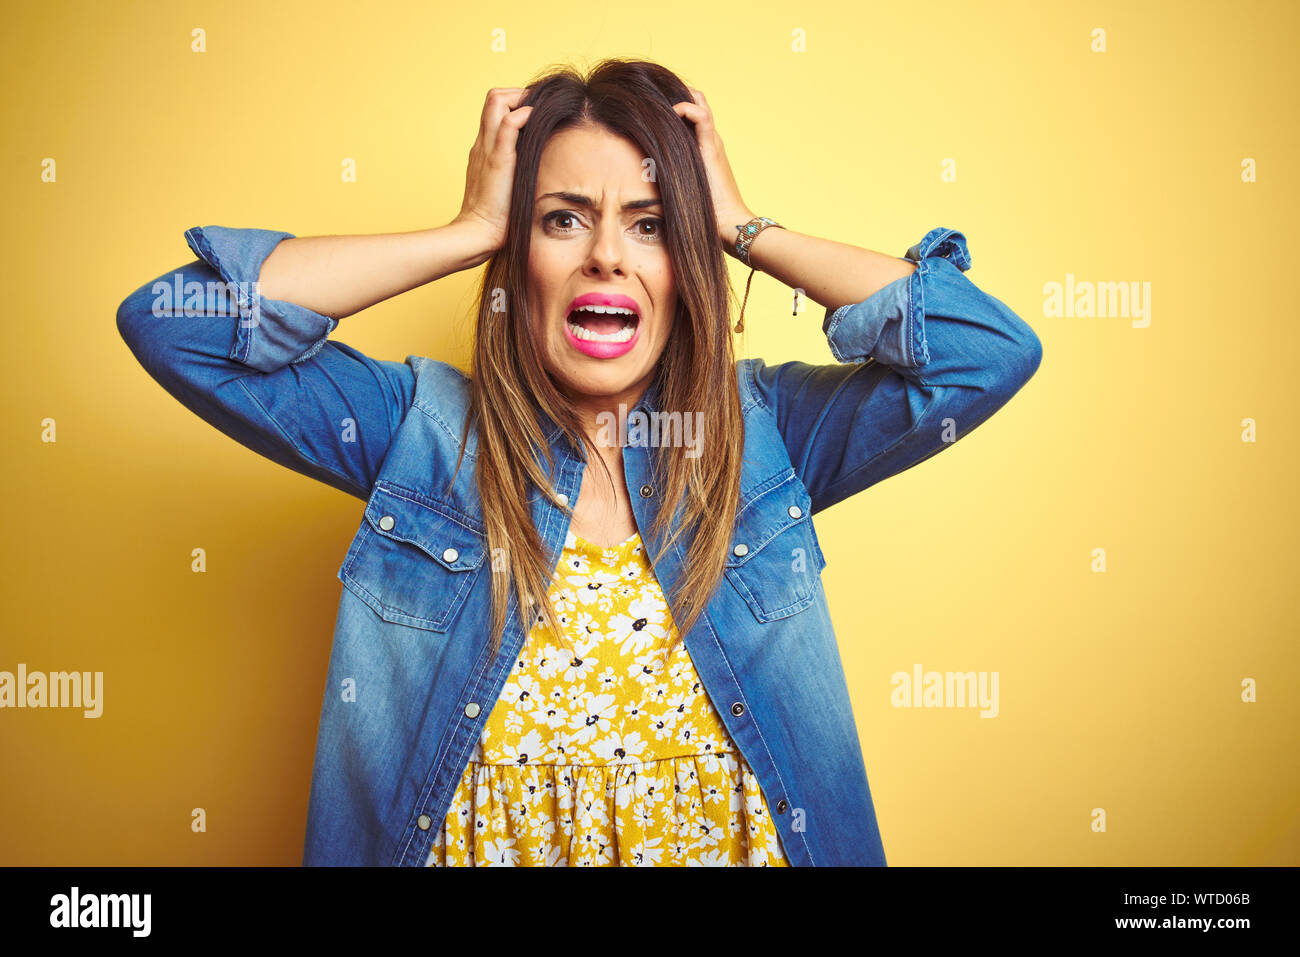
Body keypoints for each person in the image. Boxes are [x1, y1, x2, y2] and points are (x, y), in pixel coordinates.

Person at [116, 57, 1042, 866]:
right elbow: (171, 324)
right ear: (522, 259)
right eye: (562, 220)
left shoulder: (767, 434)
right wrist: (470, 230)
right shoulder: (420, 433)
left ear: (686, 260)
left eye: (649, 224)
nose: (606, 255)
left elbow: (983, 349)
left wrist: (742, 227)